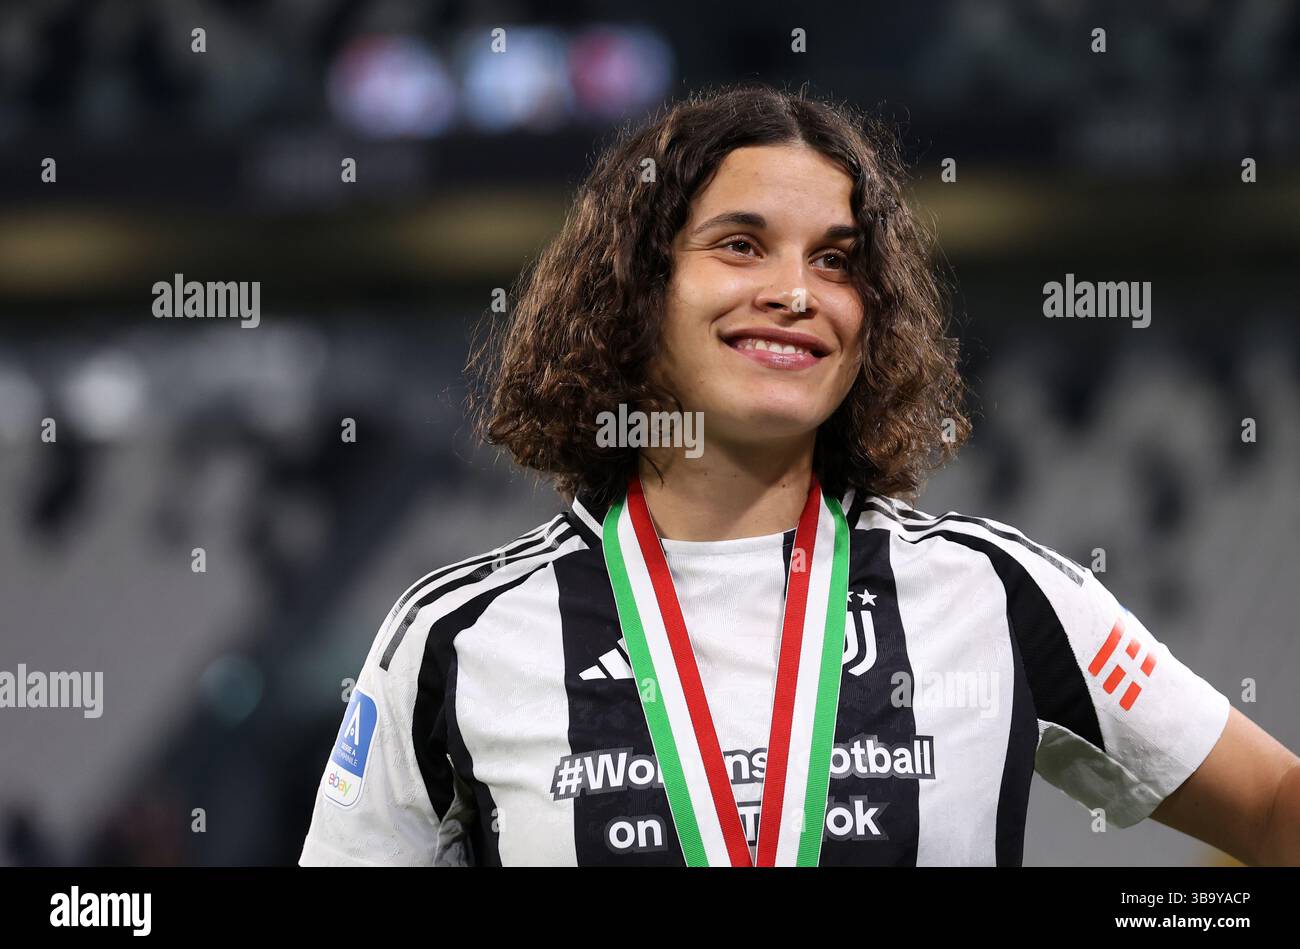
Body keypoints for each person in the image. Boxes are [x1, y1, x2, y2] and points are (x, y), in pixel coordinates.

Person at [299, 82, 1299, 866]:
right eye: (741, 246)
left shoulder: (998, 595)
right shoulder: (455, 636)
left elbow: (1269, 807)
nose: (794, 292)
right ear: (638, 290)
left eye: (837, 260)